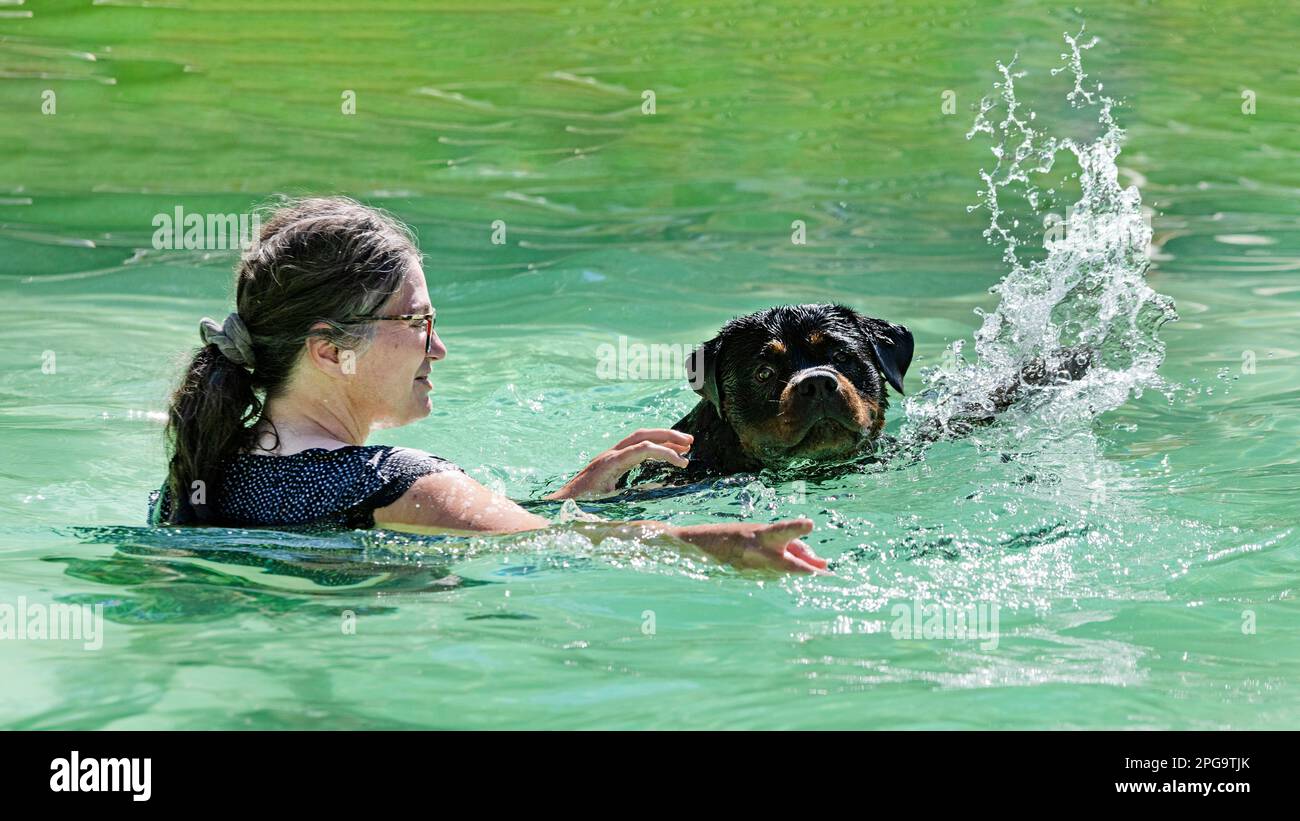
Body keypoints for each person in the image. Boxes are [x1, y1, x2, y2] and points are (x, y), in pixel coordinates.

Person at [148, 196, 827, 574]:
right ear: (329, 350)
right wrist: (722, 543)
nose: (437, 347)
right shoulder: (399, 480)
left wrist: (560, 501)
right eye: (415, 321)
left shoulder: (203, 471)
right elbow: (559, 553)